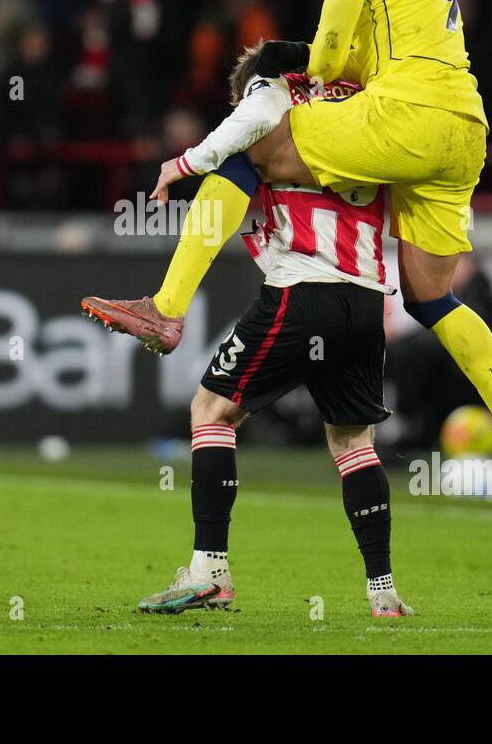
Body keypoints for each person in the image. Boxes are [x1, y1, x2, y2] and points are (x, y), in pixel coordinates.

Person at [84, 0, 492, 522]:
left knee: (255, 148)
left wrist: (277, 76)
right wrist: (300, 57)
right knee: (430, 298)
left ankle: (168, 305)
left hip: (411, 116)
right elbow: (364, 56)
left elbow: (334, 54)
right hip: (464, 130)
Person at [132, 47, 412, 619]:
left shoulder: (273, 123)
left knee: (211, 412)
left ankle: (209, 570)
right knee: (353, 443)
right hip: (365, 302)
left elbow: (238, 166)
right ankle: (383, 593)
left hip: (302, 291)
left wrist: (186, 165)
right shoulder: (365, 118)